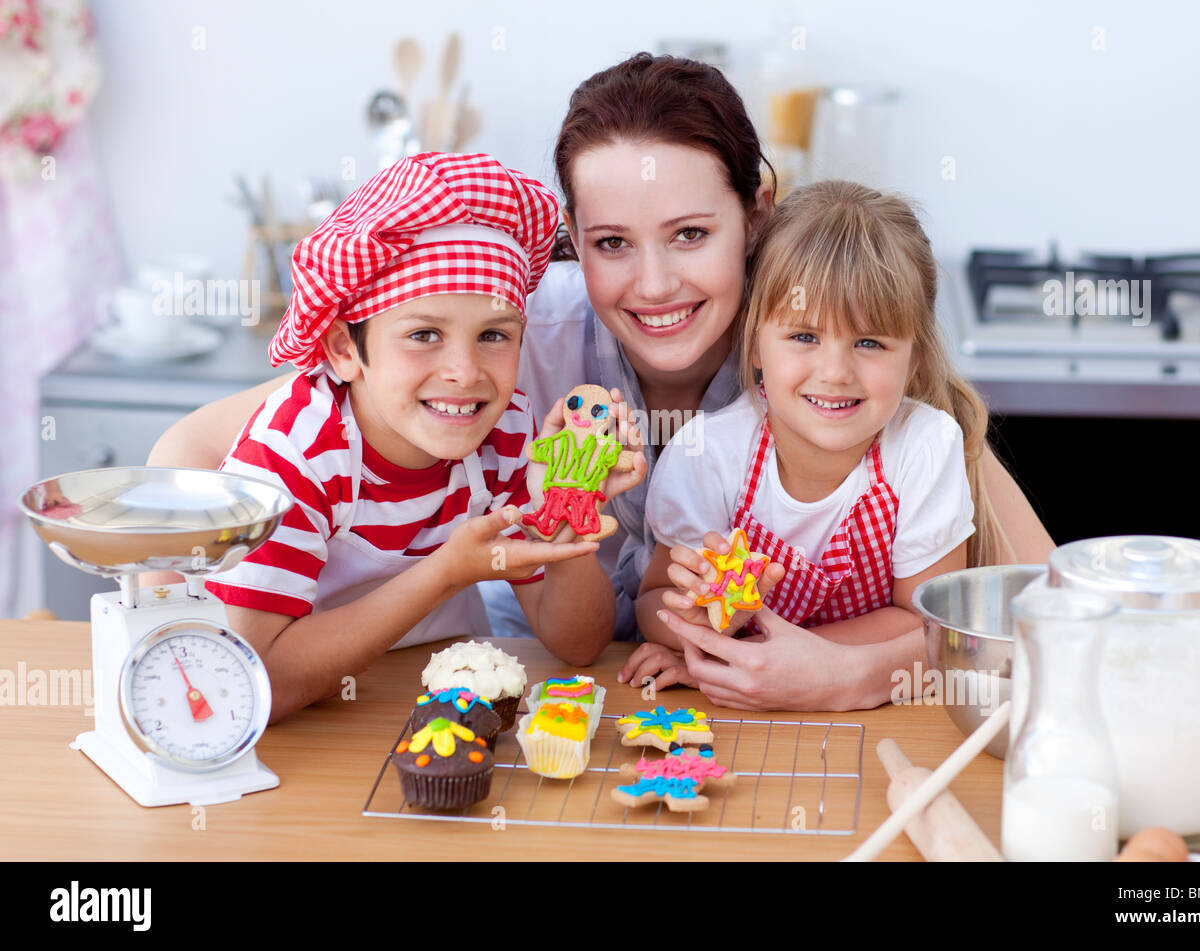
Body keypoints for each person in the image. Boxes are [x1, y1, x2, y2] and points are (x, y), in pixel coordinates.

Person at [148, 54, 1054, 708]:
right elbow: (193, 447)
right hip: (530, 691)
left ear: (756, 214)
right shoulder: (503, 340)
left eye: (691, 235)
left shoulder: (819, 353)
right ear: (572, 244)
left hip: (735, 704)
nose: (653, 285)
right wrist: (186, 651)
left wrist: (858, 668)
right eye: (612, 245)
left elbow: (1046, 599)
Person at [199, 152, 643, 723]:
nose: (465, 371)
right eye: (424, 334)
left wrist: (568, 513)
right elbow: (259, 683)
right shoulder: (296, 455)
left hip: (436, 711)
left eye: (493, 335)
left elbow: (577, 646)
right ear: (343, 349)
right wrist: (445, 572)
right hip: (304, 734)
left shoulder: (505, 432)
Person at [629, 180, 997, 708]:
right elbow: (651, 605)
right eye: (804, 337)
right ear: (755, 343)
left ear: (913, 358)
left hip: (882, 719)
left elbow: (926, 628)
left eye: (869, 342)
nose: (835, 372)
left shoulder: (923, 446)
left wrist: (772, 658)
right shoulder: (707, 453)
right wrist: (697, 626)